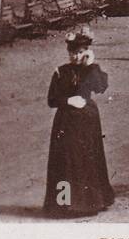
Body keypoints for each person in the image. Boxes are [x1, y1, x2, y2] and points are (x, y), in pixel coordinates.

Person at [43, 30, 114, 218]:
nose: (76, 56)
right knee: (66, 160)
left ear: (86, 52)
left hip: (87, 121)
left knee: (88, 158)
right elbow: (52, 99)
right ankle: (64, 203)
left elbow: (100, 87)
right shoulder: (61, 72)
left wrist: (91, 65)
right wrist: (67, 101)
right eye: (72, 53)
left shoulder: (91, 70)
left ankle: (91, 201)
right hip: (66, 122)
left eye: (80, 52)